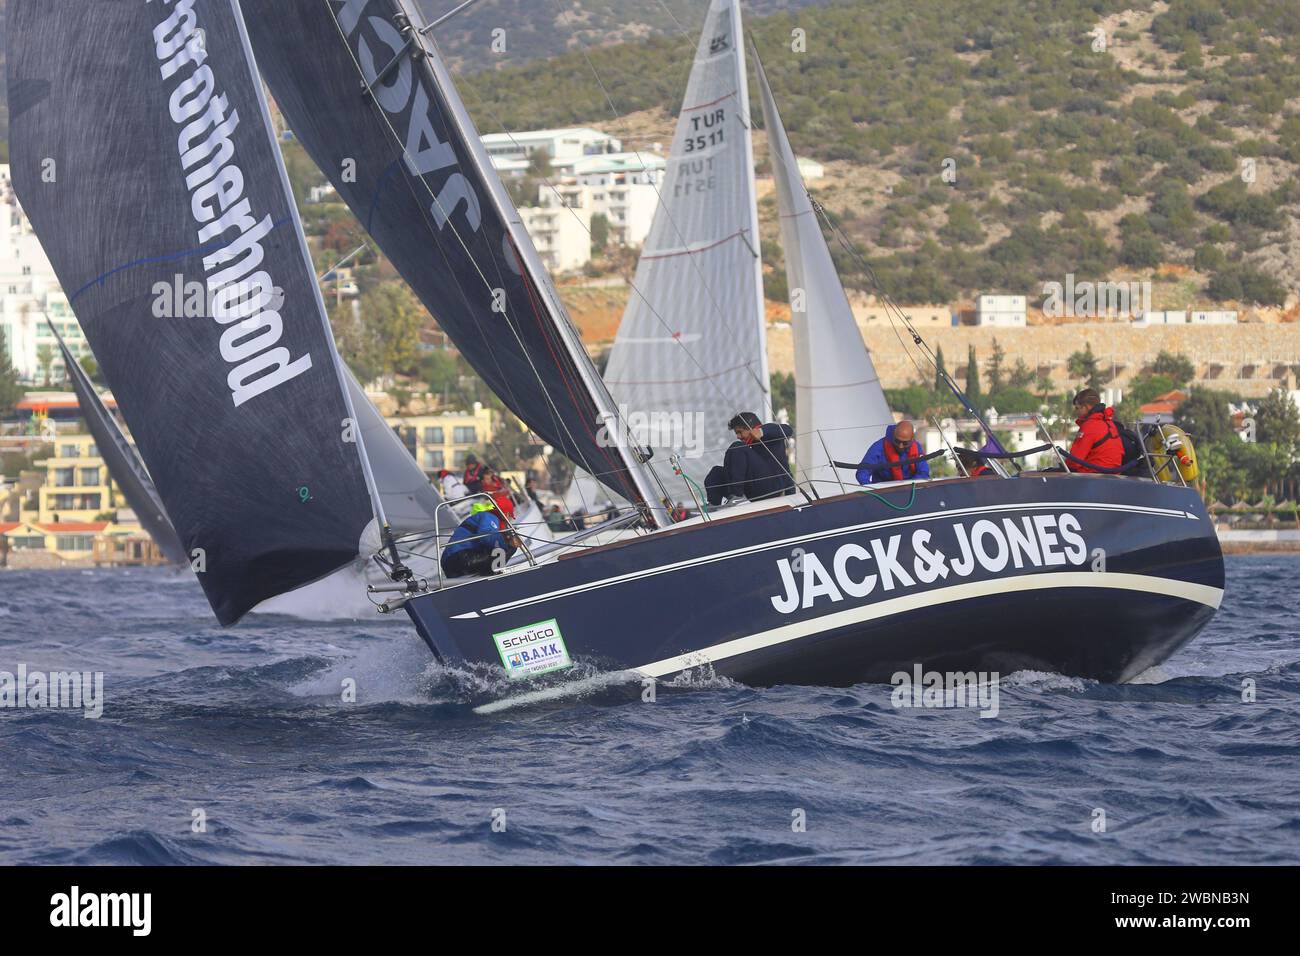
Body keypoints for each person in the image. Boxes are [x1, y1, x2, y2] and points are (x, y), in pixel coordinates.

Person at [704, 412, 795, 506]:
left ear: (751, 428)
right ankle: (715, 504)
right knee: (716, 471)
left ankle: (736, 496)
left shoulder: (768, 433)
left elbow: (788, 430)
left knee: (737, 447)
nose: (738, 436)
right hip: (754, 490)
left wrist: (762, 431)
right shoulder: (748, 449)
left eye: (739, 432)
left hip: (772, 487)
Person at [440, 501, 518, 578]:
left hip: (450, 561)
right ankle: (494, 576)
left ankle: (492, 575)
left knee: (496, 551)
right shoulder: (490, 517)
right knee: (507, 549)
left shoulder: (485, 517)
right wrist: (508, 543)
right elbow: (486, 536)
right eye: (511, 517)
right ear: (507, 514)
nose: (510, 521)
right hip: (460, 557)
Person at [1067, 388, 1123, 473]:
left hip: (1095, 475)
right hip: (1114, 473)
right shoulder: (1108, 422)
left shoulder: (1090, 426)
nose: (1076, 411)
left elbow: (1074, 461)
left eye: (1077, 408)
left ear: (1086, 407)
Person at [856, 421, 929, 485]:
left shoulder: (917, 447)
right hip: (883, 494)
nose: (900, 446)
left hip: (910, 490)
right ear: (893, 435)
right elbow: (862, 473)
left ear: (912, 439)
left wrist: (910, 486)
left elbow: (924, 471)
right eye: (897, 441)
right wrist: (873, 490)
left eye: (905, 443)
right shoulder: (878, 448)